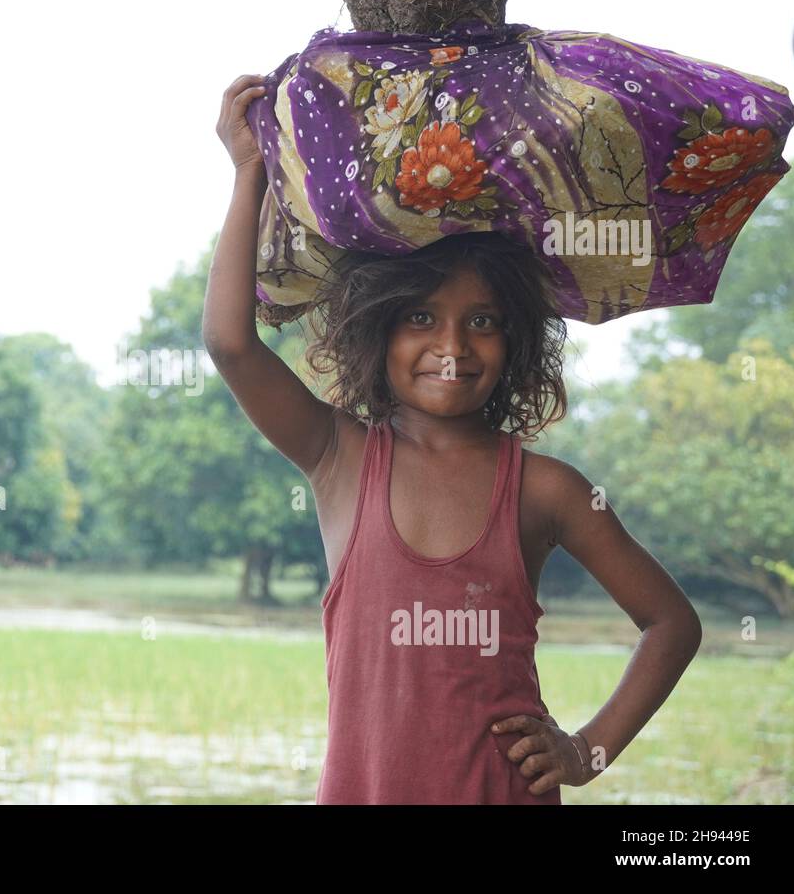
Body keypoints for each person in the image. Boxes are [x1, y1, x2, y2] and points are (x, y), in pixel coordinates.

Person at [205, 74, 703, 804]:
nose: (452, 347)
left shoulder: (548, 490)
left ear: (517, 340)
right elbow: (230, 346)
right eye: (421, 319)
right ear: (379, 330)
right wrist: (248, 172)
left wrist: (585, 751)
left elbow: (671, 624)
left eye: (483, 321)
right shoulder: (339, 455)